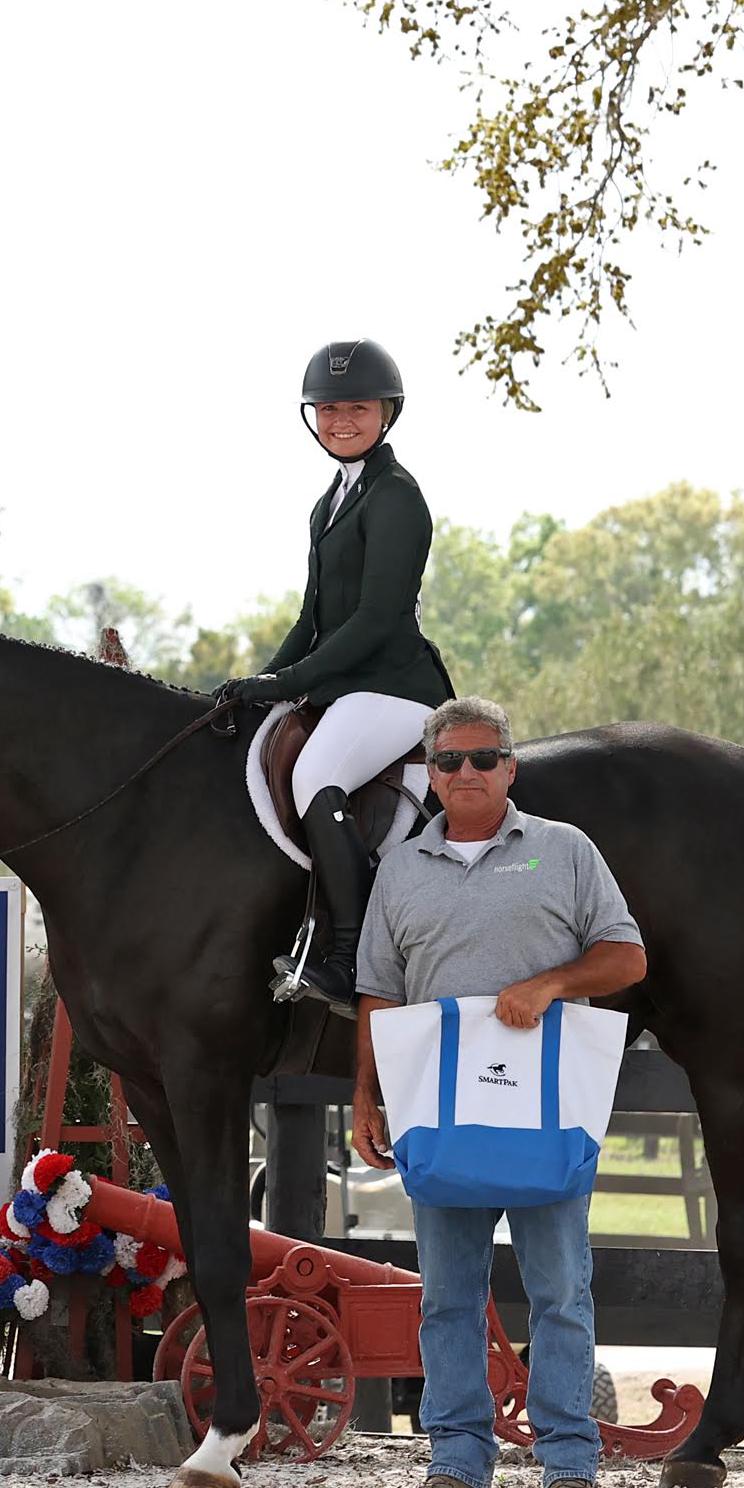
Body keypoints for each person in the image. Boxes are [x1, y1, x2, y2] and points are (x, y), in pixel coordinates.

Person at [349, 696, 647, 1488]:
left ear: (511, 768)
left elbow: (627, 957)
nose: (467, 773)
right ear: (432, 776)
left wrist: (549, 984)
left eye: (484, 758)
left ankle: (569, 1469)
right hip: (438, 1118)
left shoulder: (565, 850)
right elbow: (378, 991)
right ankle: (457, 1465)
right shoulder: (401, 871)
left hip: (545, 1116)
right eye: (449, 762)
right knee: (445, 1298)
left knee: (561, 1294)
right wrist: (366, 1098)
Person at [214, 339, 455, 1013]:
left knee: (316, 774)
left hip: (393, 687)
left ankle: (351, 956)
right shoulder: (330, 502)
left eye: (356, 407)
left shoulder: (397, 497)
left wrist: (290, 681)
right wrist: (259, 683)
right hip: (347, 683)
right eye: (327, 408)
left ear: (386, 413)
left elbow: (376, 621)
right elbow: (312, 618)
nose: (340, 419)